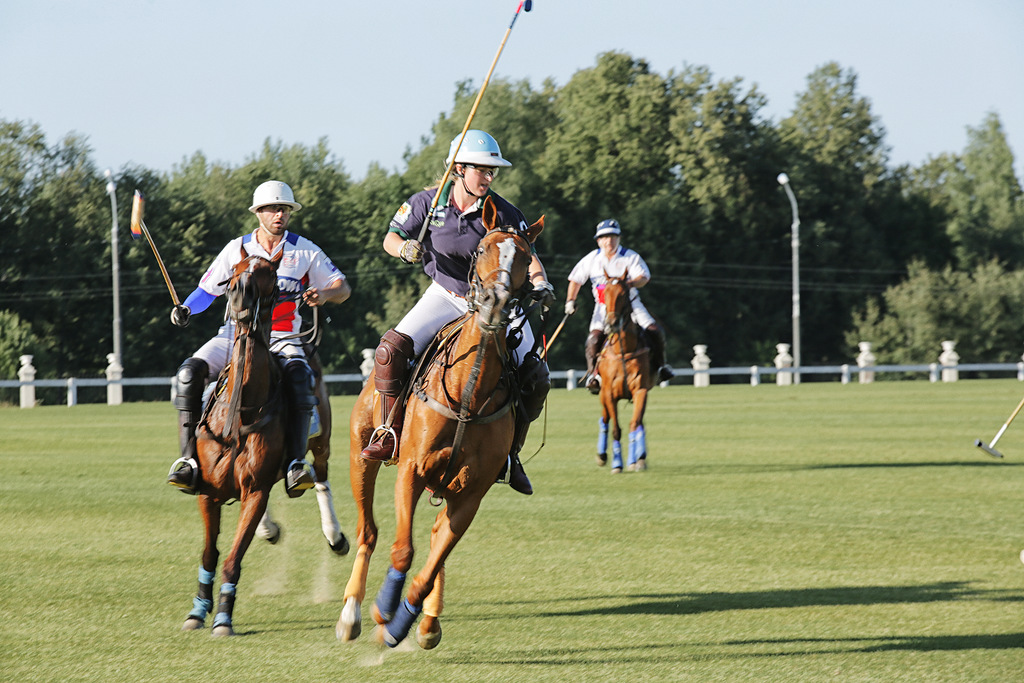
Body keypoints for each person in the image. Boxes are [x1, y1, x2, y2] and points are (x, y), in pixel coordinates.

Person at [359, 130, 553, 496]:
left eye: (493, 171)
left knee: (536, 374)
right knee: (390, 350)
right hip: (446, 296)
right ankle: (388, 432)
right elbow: (390, 237)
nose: (490, 177)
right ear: (459, 169)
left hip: (493, 305)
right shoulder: (426, 204)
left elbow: (526, 255)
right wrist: (405, 250)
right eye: (483, 170)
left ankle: (511, 454)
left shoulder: (503, 211)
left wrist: (540, 281)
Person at [165, 180, 351, 497]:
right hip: (234, 336)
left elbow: (342, 287)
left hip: (282, 336)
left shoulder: (305, 250)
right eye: (273, 208)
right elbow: (207, 291)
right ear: (259, 213)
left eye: (285, 209)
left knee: (302, 378)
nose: (279, 214)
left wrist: (324, 293)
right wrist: (185, 308)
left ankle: (295, 463)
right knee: (188, 374)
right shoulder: (237, 249)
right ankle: (188, 461)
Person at [564, 219, 673, 393]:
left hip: (631, 304)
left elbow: (644, 277)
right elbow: (575, 280)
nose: (609, 241)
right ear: (598, 240)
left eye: (613, 237)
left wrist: (628, 284)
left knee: (654, 330)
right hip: (603, 307)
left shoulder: (630, 257)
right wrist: (570, 300)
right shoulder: (592, 259)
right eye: (605, 237)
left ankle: (661, 366)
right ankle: (594, 375)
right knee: (593, 338)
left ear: (619, 238)